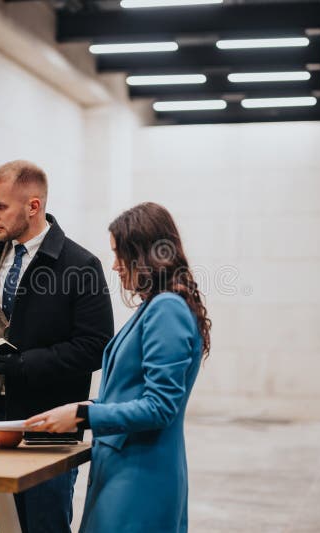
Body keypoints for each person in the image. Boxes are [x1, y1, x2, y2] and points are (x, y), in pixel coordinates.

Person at [0, 160, 114, 533]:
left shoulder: (81, 265)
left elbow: (95, 346)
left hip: (51, 425)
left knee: (44, 525)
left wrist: (22, 364)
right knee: (1, 525)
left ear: (33, 206)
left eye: (1, 206)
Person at [25, 202, 211, 533]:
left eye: (119, 254)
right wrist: (78, 409)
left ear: (145, 255)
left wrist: (84, 416)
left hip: (141, 478)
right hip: (123, 469)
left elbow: (160, 406)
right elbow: (130, 395)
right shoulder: (155, 306)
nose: (115, 266)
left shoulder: (166, 309)